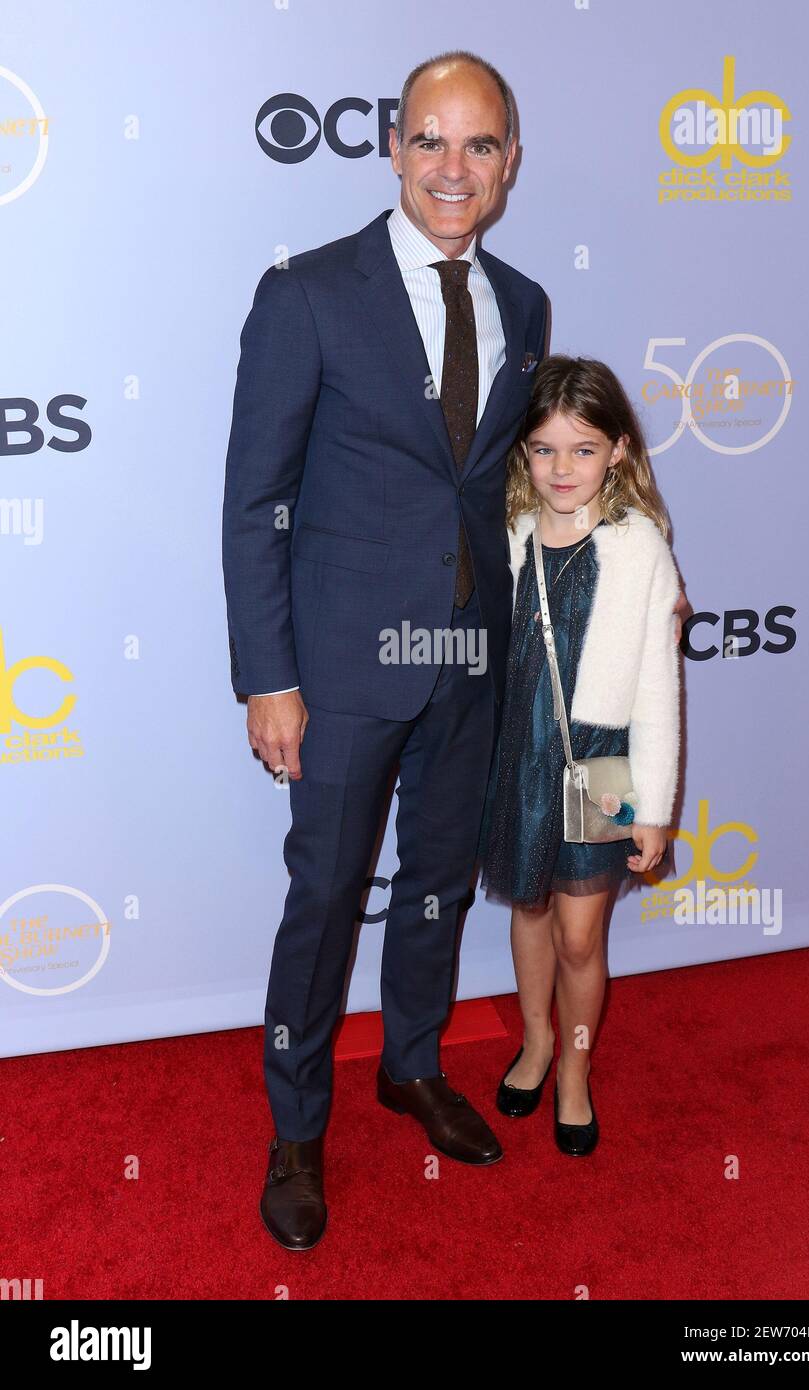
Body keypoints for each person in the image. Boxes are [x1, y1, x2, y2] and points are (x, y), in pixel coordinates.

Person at [222, 51, 549, 1252]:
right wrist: (270, 674)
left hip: (472, 658)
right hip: (345, 669)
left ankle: (409, 1065)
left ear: (509, 164)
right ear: (390, 147)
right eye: (429, 142)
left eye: (478, 147)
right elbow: (255, 499)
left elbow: (506, 488)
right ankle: (295, 1127)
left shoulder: (524, 304)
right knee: (323, 900)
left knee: (435, 885)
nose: (451, 170)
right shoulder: (307, 293)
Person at [477, 354, 682, 1156]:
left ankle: (575, 1072)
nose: (564, 468)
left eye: (584, 448)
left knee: (579, 937)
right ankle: (534, 1044)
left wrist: (655, 809)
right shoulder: (507, 532)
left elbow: (659, 691)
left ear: (620, 451)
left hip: (600, 766)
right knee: (528, 910)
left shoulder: (641, 549)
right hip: (515, 756)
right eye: (545, 449)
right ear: (522, 453)